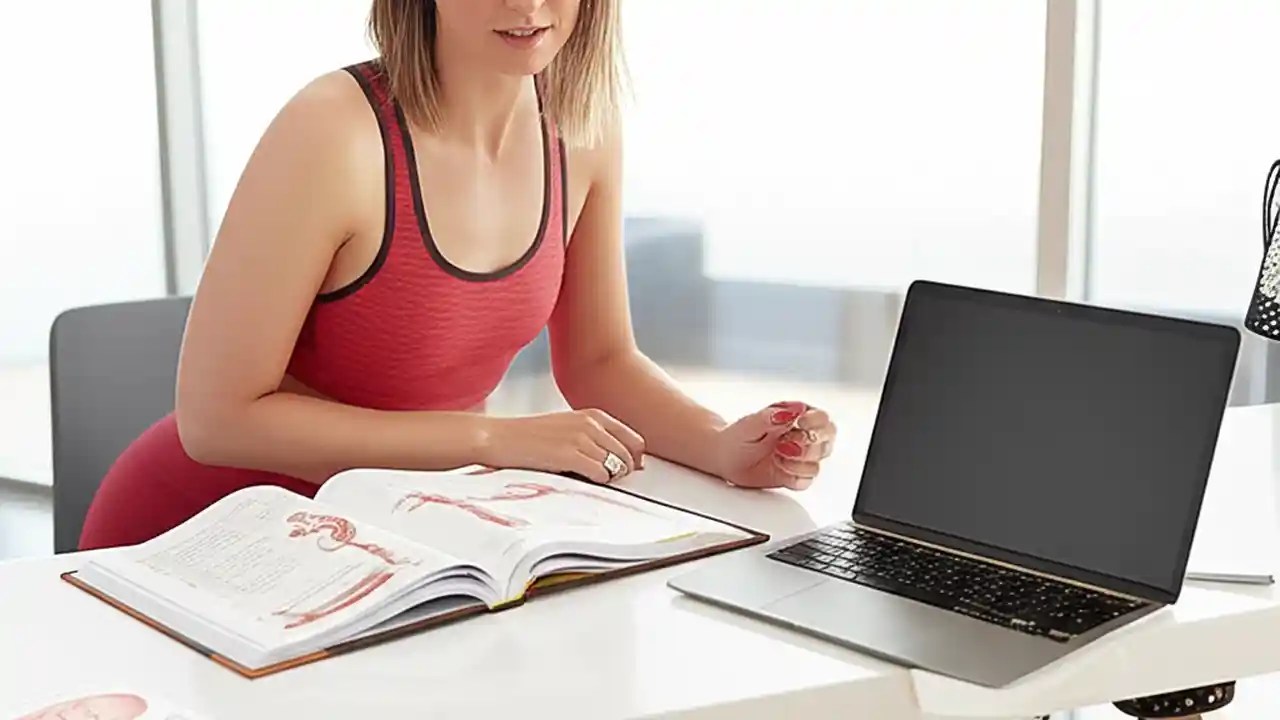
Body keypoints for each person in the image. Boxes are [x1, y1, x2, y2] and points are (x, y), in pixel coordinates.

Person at [78, 0, 838, 550]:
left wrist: (723, 446)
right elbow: (218, 421)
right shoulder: (333, 130)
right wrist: (494, 438)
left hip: (394, 534)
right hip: (208, 536)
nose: (528, 4)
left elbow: (599, 361)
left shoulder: (582, 123)